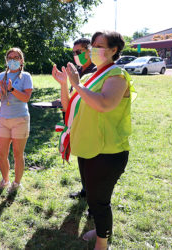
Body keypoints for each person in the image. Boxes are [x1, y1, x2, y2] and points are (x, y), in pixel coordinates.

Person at [52, 31, 134, 250]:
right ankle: (99, 230)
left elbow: (105, 104)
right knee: (93, 196)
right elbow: (68, 106)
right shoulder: (92, 76)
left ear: (114, 50)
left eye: (99, 45)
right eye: (94, 45)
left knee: (99, 200)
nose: (93, 50)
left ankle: (102, 242)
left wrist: (77, 85)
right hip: (89, 147)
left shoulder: (116, 75)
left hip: (108, 151)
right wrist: (64, 84)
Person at [0, 48, 33, 193]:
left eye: (16, 57)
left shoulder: (26, 76)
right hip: (3, 119)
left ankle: (16, 183)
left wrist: (11, 90)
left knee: (17, 154)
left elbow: (26, 98)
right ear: (6, 60)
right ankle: (5, 180)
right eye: (10, 57)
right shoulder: (1, 76)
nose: (13, 60)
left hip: (20, 119)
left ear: (21, 60)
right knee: (2, 153)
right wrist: (2, 91)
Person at [69, 38, 96, 201]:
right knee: (82, 158)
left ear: (89, 51)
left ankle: (94, 197)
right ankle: (85, 189)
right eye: (74, 52)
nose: (76, 55)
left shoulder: (96, 71)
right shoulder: (79, 70)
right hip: (78, 122)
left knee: (92, 162)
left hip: (91, 122)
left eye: (79, 52)